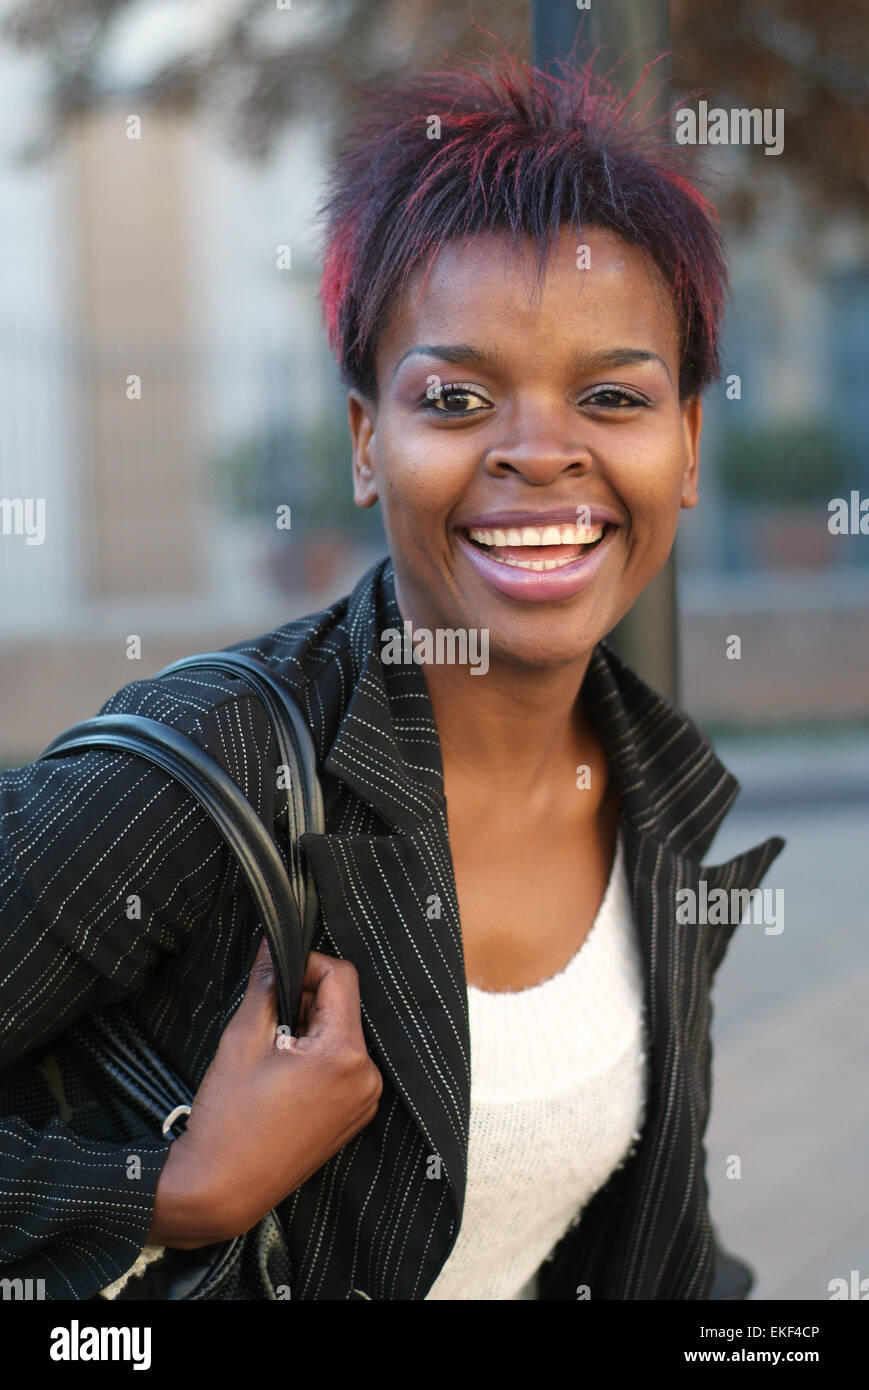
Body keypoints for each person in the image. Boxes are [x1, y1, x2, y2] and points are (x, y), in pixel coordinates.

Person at [0, 53, 784, 1300]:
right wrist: (178, 1192)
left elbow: (655, 1256)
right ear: (370, 442)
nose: (538, 453)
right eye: (457, 395)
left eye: (611, 396)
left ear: (684, 445)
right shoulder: (219, 763)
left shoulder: (658, 790)